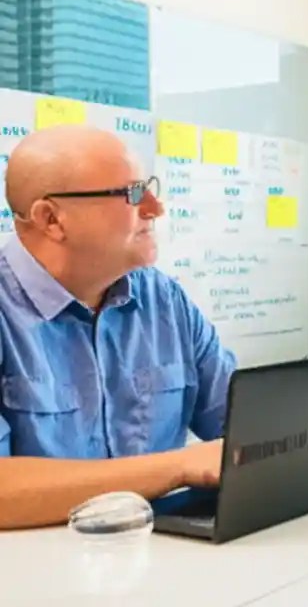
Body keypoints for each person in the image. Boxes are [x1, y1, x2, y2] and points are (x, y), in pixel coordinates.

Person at [0, 125, 234, 529]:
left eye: (149, 188)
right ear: (51, 219)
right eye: (131, 194)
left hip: (160, 562)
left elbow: (246, 428)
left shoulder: (164, 299)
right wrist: (179, 466)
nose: (155, 208)